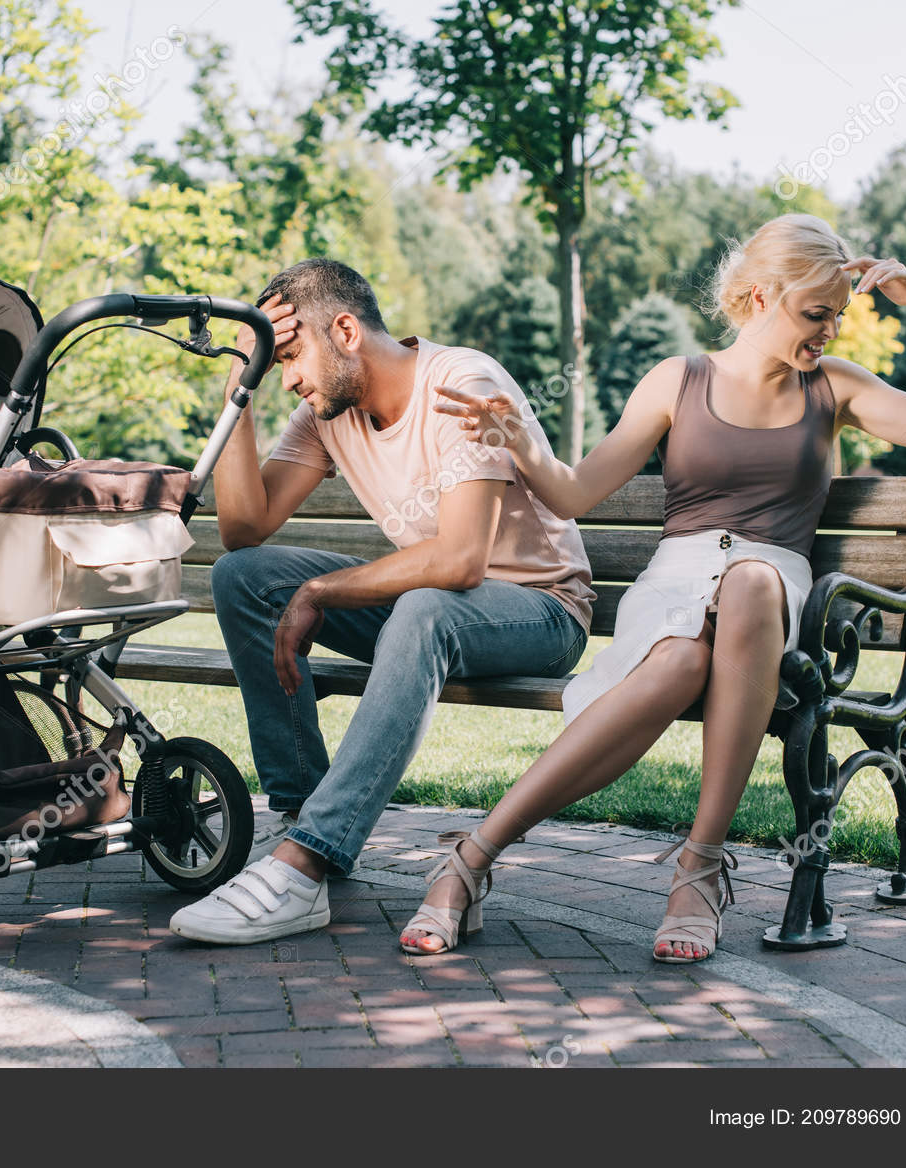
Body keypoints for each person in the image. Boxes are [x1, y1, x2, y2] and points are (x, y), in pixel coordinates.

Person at [400, 214, 906, 963]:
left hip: (770, 585)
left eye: (837, 316)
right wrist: (521, 443)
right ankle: (473, 856)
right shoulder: (677, 382)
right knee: (680, 662)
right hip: (675, 586)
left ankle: (701, 865)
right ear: (756, 299)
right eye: (817, 314)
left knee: (747, 581)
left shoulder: (834, 387)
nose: (831, 333)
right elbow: (575, 493)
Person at [168, 258, 595, 945]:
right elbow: (244, 530)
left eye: (290, 356)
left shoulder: (460, 384)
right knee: (241, 576)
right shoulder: (327, 412)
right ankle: (302, 814)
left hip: (539, 609)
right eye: (272, 366)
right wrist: (236, 394)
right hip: (435, 608)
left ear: (344, 330)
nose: (290, 379)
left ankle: (305, 865)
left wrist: (320, 591)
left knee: (425, 606)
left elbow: (461, 560)